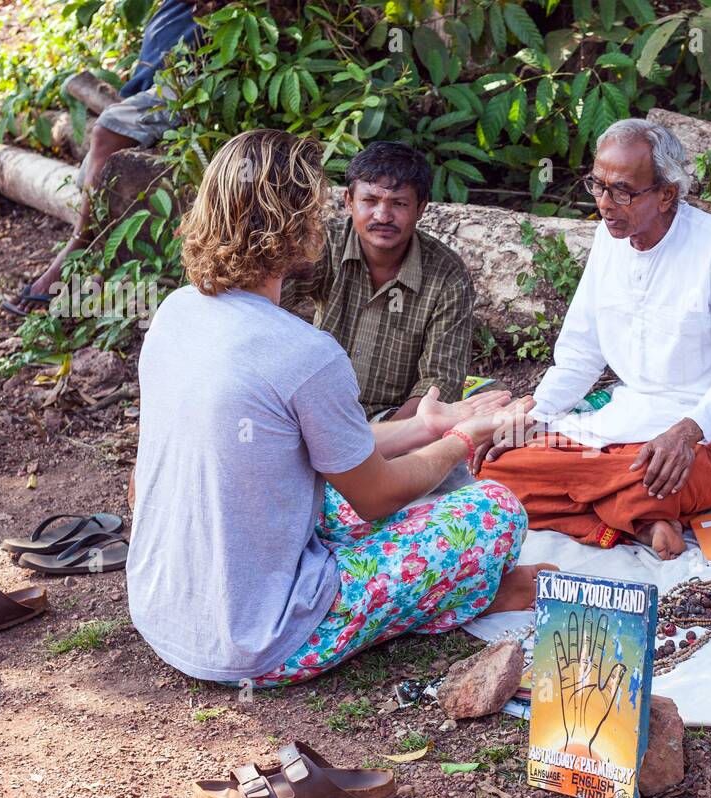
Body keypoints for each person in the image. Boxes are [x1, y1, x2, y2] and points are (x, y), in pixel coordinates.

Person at [126, 128, 547, 686]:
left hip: (160, 609)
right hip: (258, 643)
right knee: (494, 510)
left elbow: (320, 450)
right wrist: (464, 440)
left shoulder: (177, 312)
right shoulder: (305, 353)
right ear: (302, 222)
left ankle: (455, 591)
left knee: (345, 505)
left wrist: (426, 425)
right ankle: (477, 595)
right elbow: (373, 497)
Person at [478, 118, 711, 560]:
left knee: (656, 479)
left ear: (667, 193)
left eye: (622, 191)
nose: (604, 204)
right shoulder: (608, 238)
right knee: (498, 466)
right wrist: (535, 414)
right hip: (628, 419)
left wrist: (688, 432)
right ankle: (639, 519)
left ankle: (628, 508)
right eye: (597, 186)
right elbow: (580, 353)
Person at [2, 0, 206, 317]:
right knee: (90, 178)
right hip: (156, 89)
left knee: (106, 131)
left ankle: (78, 247)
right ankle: (99, 272)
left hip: (191, 86)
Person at [281, 141, 477, 422]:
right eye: (370, 201)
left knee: (452, 454)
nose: (383, 216)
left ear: (421, 208)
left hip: (392, 418)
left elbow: (440, 382)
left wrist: (384, 439)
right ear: (349, 201)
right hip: (314, 409)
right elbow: (263, 305)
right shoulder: (325, 244)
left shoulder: (447, 274)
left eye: (398, 203)